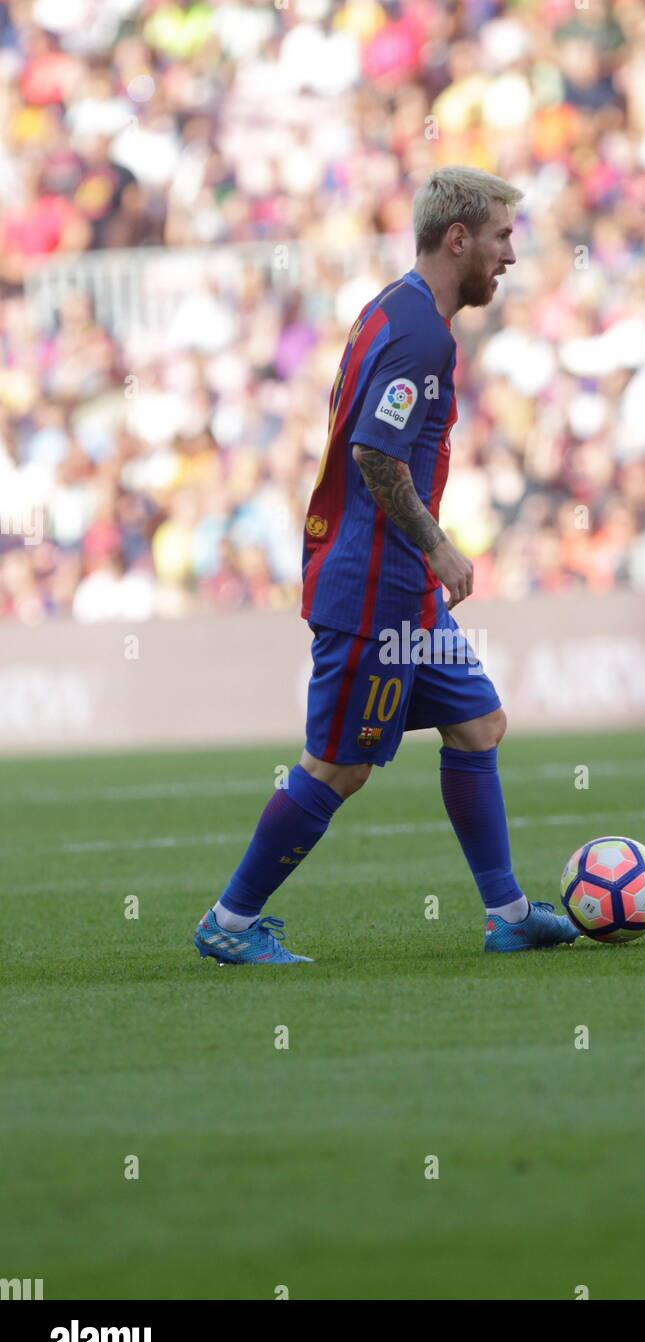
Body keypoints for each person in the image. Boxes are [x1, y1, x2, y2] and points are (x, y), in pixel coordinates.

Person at [193, 166, 579, 964]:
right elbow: (375, 448)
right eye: (503, 237)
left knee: (478, 725)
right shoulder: (420, 334)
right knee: (337, 768)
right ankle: (228, 926)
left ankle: (506, 913)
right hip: (375, 586)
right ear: (459, 237)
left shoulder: (394, 311)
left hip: (405, 592)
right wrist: (436, 542)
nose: (511, 256)